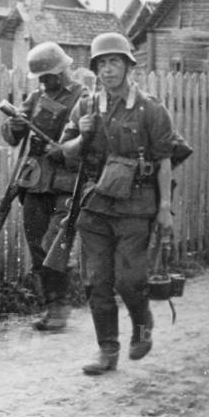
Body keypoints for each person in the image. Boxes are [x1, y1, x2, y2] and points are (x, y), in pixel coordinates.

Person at [59, 32, 181, 375]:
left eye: (114, 62)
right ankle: (107, 349)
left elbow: (164, 160)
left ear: (129, 67)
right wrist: (82, 136)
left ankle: (143, 325)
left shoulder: (151, 109)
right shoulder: (85, 106)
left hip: (136, 205)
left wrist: (164, 208)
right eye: (101, 63)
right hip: (95, 205)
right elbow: (65, 152)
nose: (107, 70)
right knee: (96, 281)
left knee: (129, 280)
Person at [0, 42, 84, 331]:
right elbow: (12, 136)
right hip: (35, 183)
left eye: (48, 77)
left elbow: (92, 142)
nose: (45, 82)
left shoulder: (83, 98)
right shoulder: (37, 97)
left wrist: (64, 150)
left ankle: (61, 305)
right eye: (41, 78)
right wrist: (16, 125)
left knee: (54, 246)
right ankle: (52, 306)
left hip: (67, 184)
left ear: (61, 71)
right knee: (37, 246)